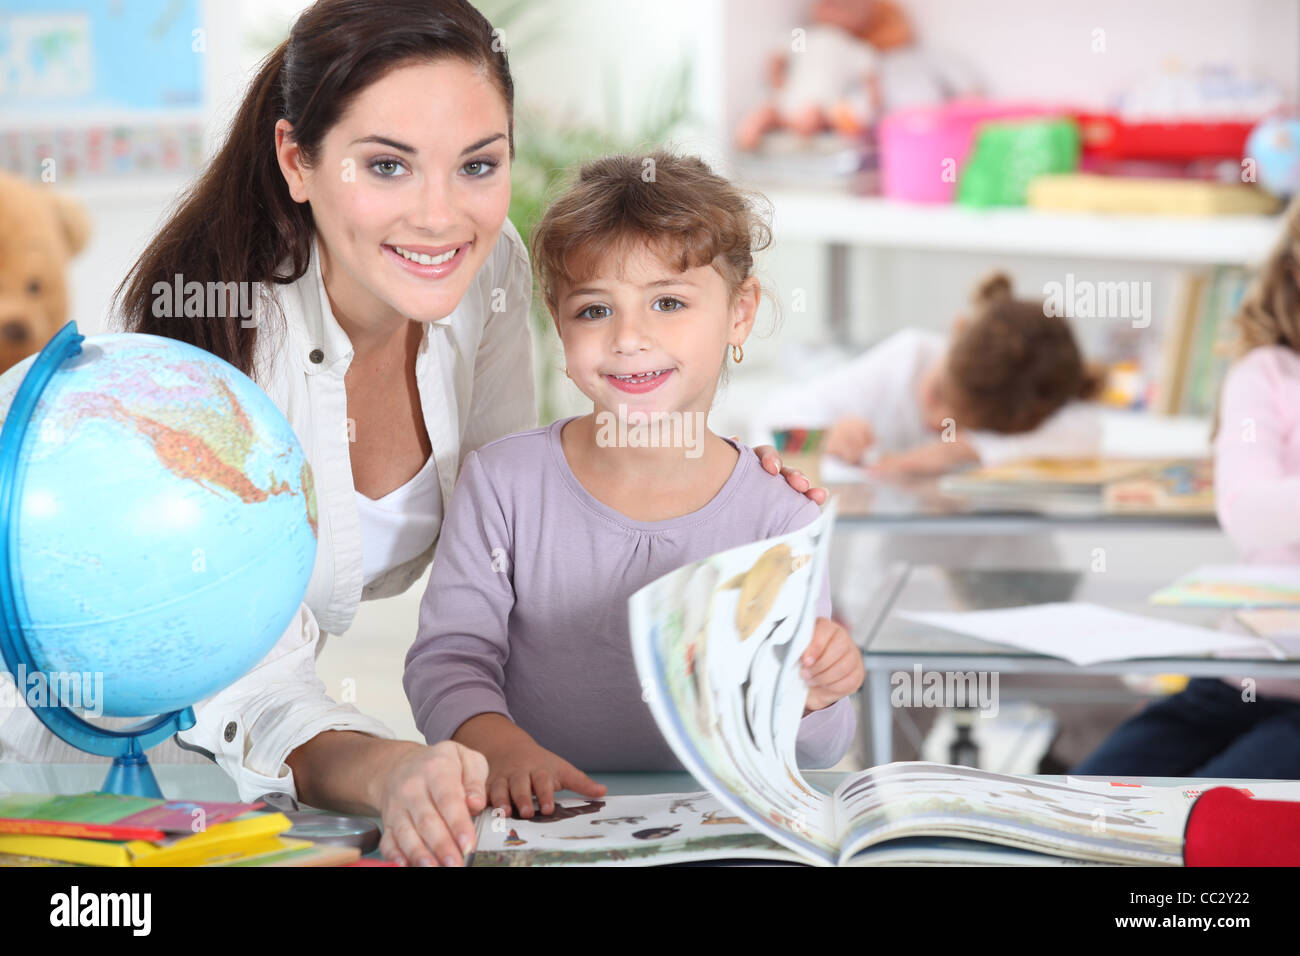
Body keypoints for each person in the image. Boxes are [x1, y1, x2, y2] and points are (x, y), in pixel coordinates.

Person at [0, 0, 823, 867]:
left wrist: (714, 486)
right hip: (80, 759)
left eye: (478, 164)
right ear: (297, 160)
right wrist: (387, 767)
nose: (440, 217)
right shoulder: (221, 348)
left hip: (266, 771)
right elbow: (243, 678)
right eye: (387, 166)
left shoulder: (490, 267)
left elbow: (520, 510)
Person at [403, 152, 864, 818]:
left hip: (717, 825)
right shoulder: (501, 483)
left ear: (740, 315)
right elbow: (448, 659)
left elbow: (818, 749)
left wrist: (819, 691)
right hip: (541, 820)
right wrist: (495, 747)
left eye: (669, 302)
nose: (629, 338)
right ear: (558, 321)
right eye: (594, 311)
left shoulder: (782, 513)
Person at [1073, 194, 1300, 779]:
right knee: (1085, 800)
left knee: (1210, 824)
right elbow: (1249, 511)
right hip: (1231, 678)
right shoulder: (1268, 372)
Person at [752, 271, 1106, 476]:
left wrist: (962, 449)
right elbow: (772, 421)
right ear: (957, 328)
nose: (937, 419)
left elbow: (1088, 431)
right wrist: (822, 438)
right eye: (938, 392)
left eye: (963, 421)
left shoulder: (1033, 406)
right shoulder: (908, 358)